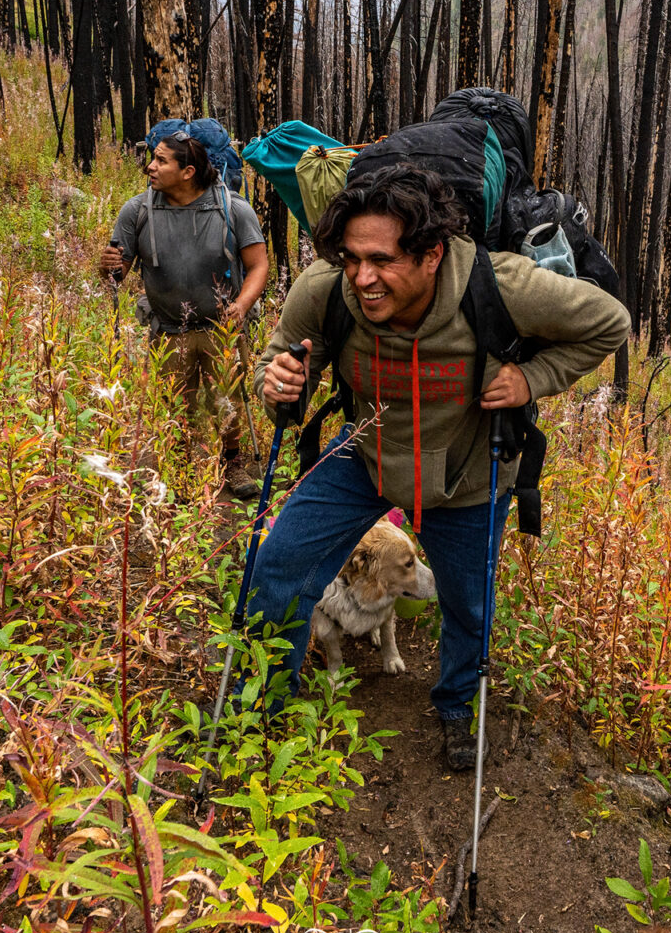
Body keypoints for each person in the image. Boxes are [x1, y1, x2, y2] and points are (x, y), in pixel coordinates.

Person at [251, 165, 629, 769]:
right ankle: (268, 700)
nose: (363, 278)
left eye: (381, 260)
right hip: (365, 453)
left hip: (468, 473)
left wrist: (532, 378)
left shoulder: (502, 286)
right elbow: (281, 366)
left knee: (467, 606)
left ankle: (456, 706)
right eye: (351, 258)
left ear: (432, 254)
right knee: (277, 564)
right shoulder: (325, 288)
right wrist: (278, 383)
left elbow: (610, 322)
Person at [99, 123, 270, 498]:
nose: (151, 167)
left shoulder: (232, 209)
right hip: (168, 328)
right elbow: (119, 273)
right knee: (176, 404)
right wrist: (109, 265)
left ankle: (232, 465)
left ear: (188, 171)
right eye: (153, 160)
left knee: (227, 400)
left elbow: (259, 265)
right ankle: (181, 470)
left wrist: (241, 306)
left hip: (221, 327)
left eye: (161, 161)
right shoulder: (137, 211)